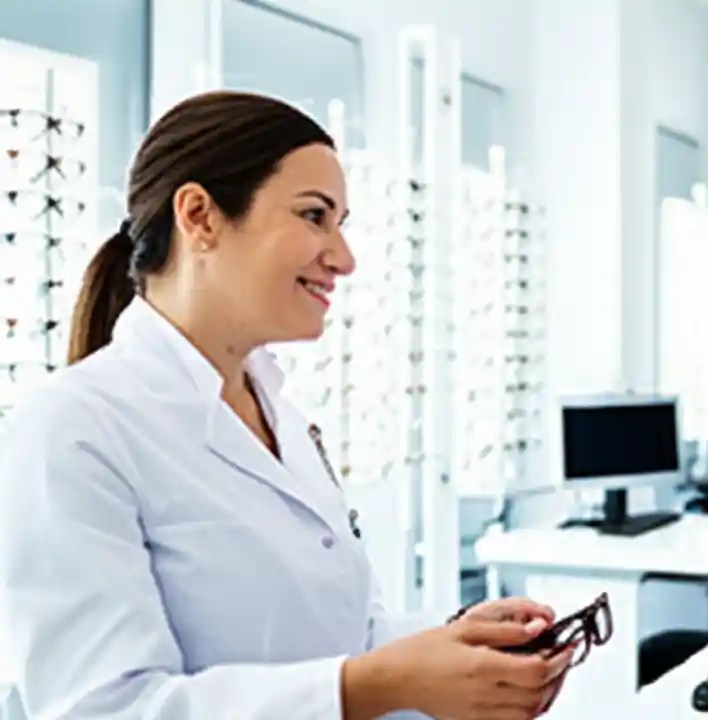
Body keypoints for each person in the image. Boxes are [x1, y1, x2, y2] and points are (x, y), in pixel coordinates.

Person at [0, 90, 575, 720]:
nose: (344, 257)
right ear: (200, 216)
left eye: (341, 223)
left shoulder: (283, 417)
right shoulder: (72, 429)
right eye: (313, 215)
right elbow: (106, 710)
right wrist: (376, 685)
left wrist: (455, 646)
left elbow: (345, 637)